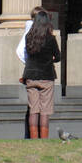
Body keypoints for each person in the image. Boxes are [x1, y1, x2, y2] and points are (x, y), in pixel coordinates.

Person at [21, 9, 60, 140]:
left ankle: (33, 139)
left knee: (33, 110)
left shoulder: (29, 37)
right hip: (46, 76)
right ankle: (44, 140)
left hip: (31, 75)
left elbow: (28, 54)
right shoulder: (51, 39)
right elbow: (58, 57)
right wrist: (50, 59)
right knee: (45, 112)